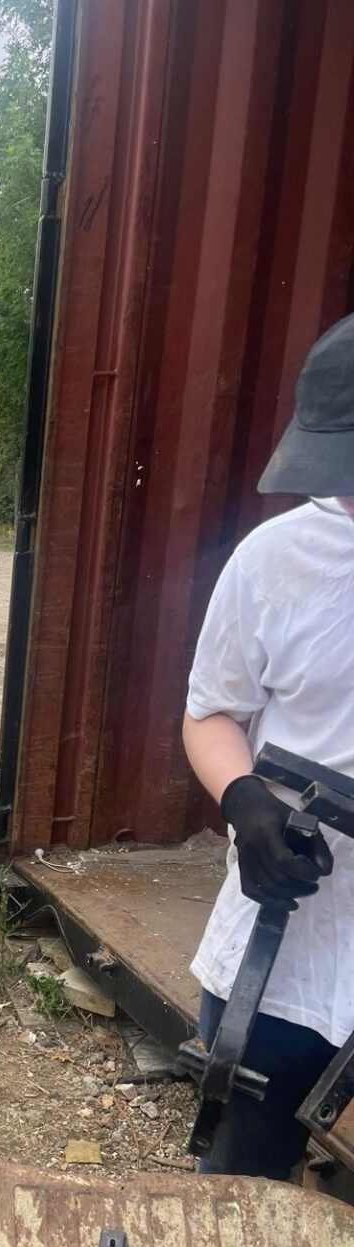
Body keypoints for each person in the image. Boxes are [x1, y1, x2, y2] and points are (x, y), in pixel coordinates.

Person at [183, 312, 354, 1178]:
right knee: (239, 1210)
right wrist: (243, 799)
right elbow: (211, 711)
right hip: (286, 952)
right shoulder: (275, 560)